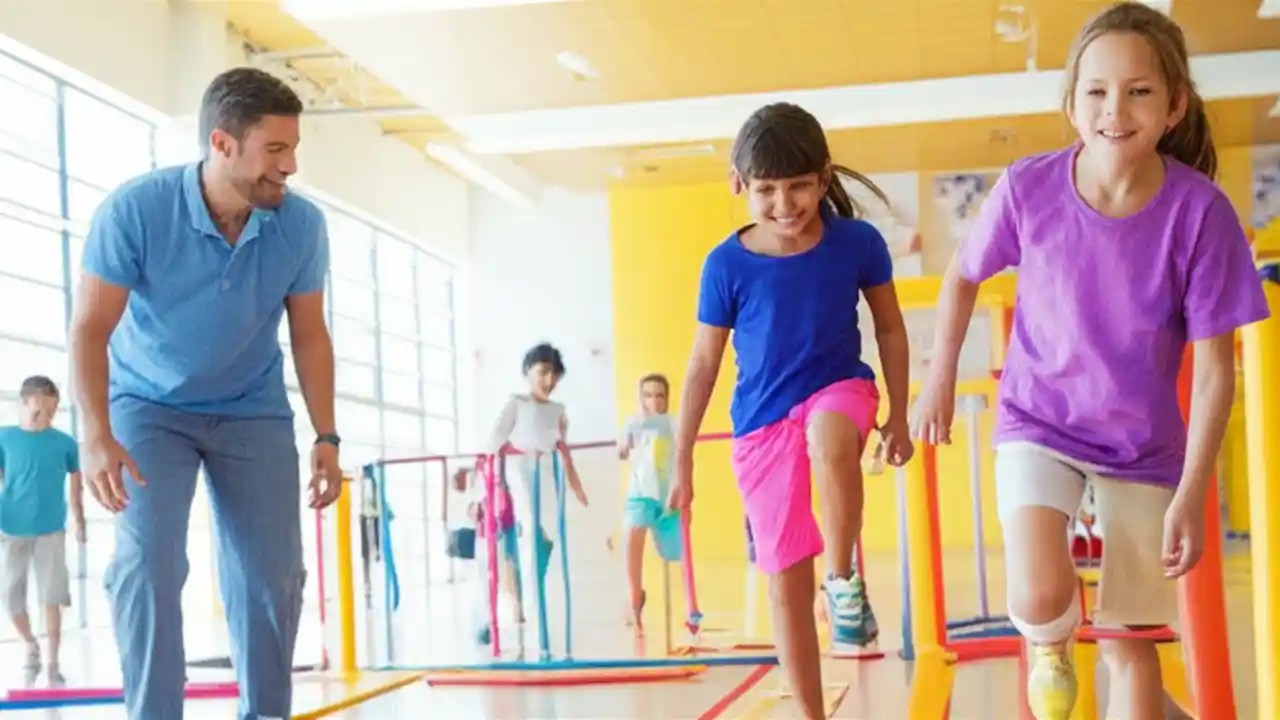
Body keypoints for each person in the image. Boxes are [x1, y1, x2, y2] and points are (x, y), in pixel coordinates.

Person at [909, 4, 1269, 719]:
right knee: (1040, 596)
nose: (1115, 109)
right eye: (1097, 91)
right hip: (1039, 420)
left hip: (1143, 449)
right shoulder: (1027, 187)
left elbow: (1216, 369)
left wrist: (1194, 491)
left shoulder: (1201, 215)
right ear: (1071, 103)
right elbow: (960, 276)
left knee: (1131, 645)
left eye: (1139, 91)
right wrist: (938, 378)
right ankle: (1049, 643)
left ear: (1174, 107)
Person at [70, 67, 342, 720]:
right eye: (275, 150)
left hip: (252, 408)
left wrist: (327, 436)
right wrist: (96, 435)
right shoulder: (136, 211)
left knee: (272, 576)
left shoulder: (299, 226)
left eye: (293, 148)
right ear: (222, 144)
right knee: (148, 565)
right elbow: (89, 328)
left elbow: (309, 335)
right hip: (148, 408)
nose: (291, 166)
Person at [669, 102, 914, 719]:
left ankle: (843, 582)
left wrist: (900, 415)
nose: (785, 204)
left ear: (825, 177)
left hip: (840, 391)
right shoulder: (724, 265)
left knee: (831, 442)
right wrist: (682, 462)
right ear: (738, 184)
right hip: (760, 426)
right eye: (766, 190)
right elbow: (702, 364)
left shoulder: (857, 243)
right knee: (784, 588)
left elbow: (889, 329)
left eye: (799, 186)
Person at [488, 343, 589, 657]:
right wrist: (493, 485)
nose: (548, 379)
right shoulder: (517, 403)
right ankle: (533, 624)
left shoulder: (558, 412)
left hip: (549, 475)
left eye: (553, 373)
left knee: (546, 540)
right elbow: (494, 441)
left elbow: (563, 448)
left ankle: (538, 605)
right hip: (521, 472)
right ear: (528, 373)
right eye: (542, 371)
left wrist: (575, 484)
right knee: (530, 534)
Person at [0, 376, 83, 685]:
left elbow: (76, 479)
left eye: (51, 412)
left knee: (51, 597)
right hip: (12, 528)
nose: (45, 417)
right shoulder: (4, 438)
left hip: (51, 530)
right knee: (11, 599)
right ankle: (30, 644)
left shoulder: (64, 443)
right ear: (23, 404)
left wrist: (80, 518)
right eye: (39, 411)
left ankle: (52, 662)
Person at [616, 373, 676, 632]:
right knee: (632, 536)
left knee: (674, 553)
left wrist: (640, 422)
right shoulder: (633, 422)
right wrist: (626, 440)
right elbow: (623, 448)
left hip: (667, 496)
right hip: (640, 493)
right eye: (648, 395)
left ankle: (689, 610)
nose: (654, 400)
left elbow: (656, 427)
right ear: (641, 398)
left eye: (660, 395)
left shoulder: (671, 422)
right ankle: (634, 597)